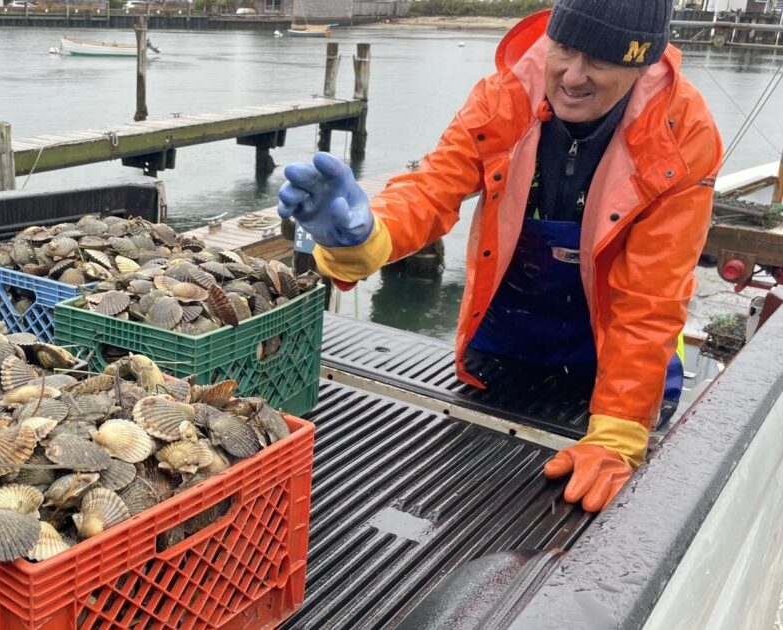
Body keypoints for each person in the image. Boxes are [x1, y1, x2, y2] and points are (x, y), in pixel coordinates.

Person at [278, 0, 721, 513]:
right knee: (466, 501)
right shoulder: (505, 94)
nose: (573, 77)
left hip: (621, 364)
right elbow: (432, 190)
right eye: (565, 50)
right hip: (504, 340)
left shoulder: (683, 133)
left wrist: (618, 435)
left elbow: (650, 295)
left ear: (640, 64)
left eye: (600, 60)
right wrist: (362, 237)